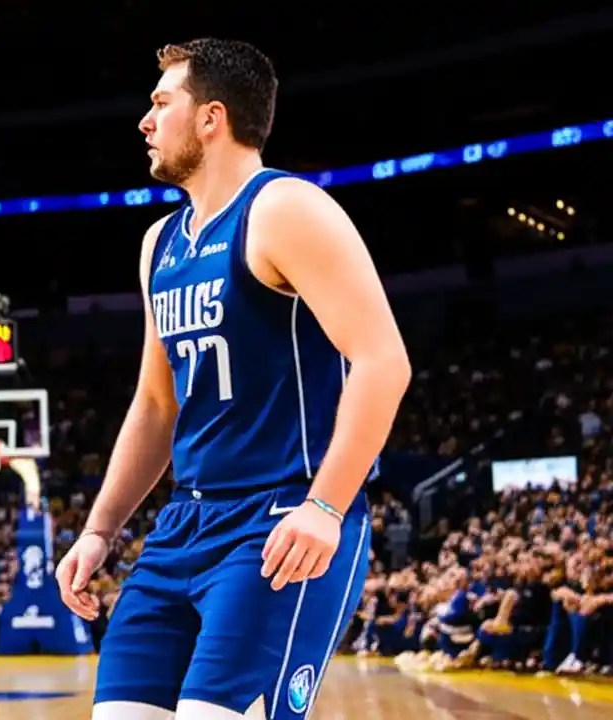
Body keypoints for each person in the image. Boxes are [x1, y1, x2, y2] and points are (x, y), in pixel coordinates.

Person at [56, 38, 411, 720]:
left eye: (162, 103)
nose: (145, 121)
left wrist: (325, 506)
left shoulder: (284, 208)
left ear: (211, 117)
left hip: (279, 518)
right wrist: (100, 530)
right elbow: (156, 404)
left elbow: (383, 360)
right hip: (183, 524)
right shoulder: (159, 242)